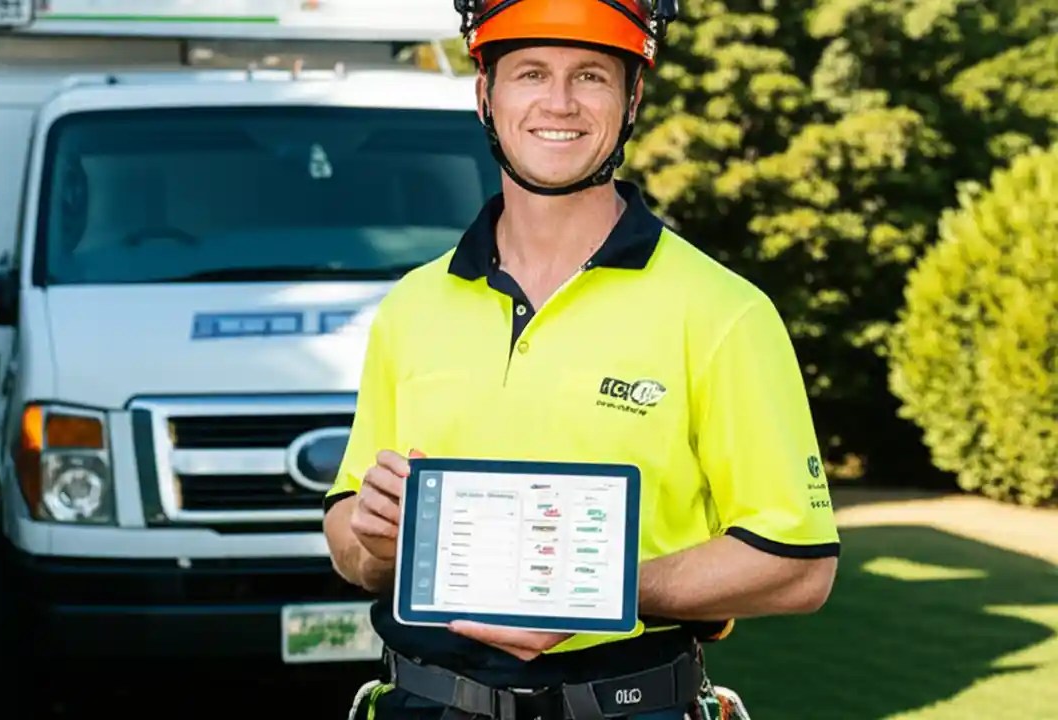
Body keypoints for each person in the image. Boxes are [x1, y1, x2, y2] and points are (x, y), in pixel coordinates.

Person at [322, 1, 841, 718]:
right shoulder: (413, 306)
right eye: (531, 73)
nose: (558, 103)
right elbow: (349, 537)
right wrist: (371, 537)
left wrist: (599, 590)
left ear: (632, 100)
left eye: (590, 76)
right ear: (485, 95)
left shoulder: (724, 310)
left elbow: (800, 567)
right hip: (423, 702)